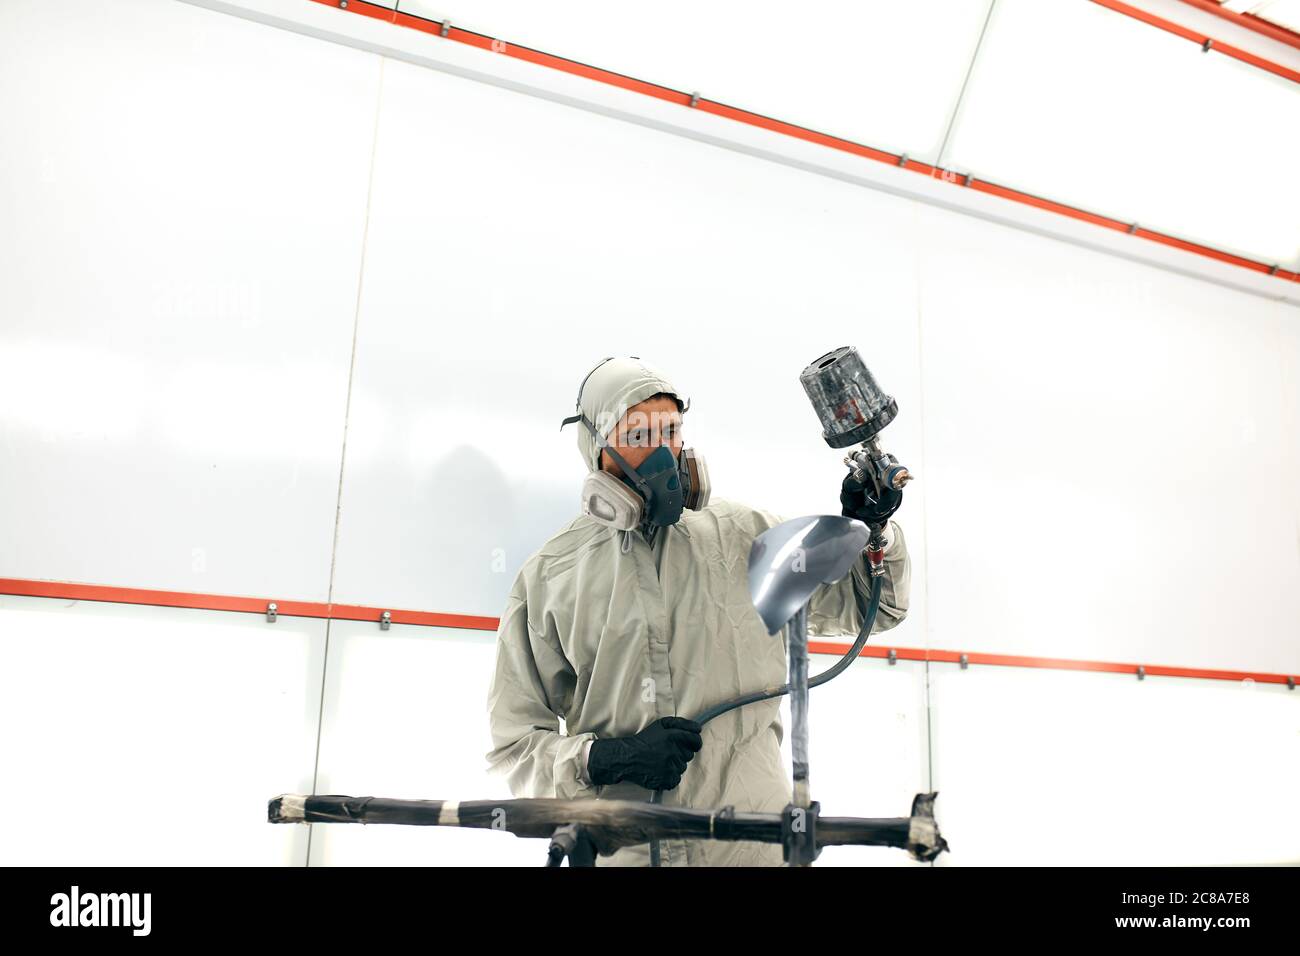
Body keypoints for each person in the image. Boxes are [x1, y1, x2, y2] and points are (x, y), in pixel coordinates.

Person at [484, 356, 910, 866]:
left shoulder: (747, 536)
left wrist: (872, 529)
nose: (662, 452)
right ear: (597, 450)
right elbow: (514, 747)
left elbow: (874, 606)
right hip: (630, 854)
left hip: (753, 851)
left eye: (671, 430)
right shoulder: (549, 577)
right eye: (639, 436)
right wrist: (602, 758)